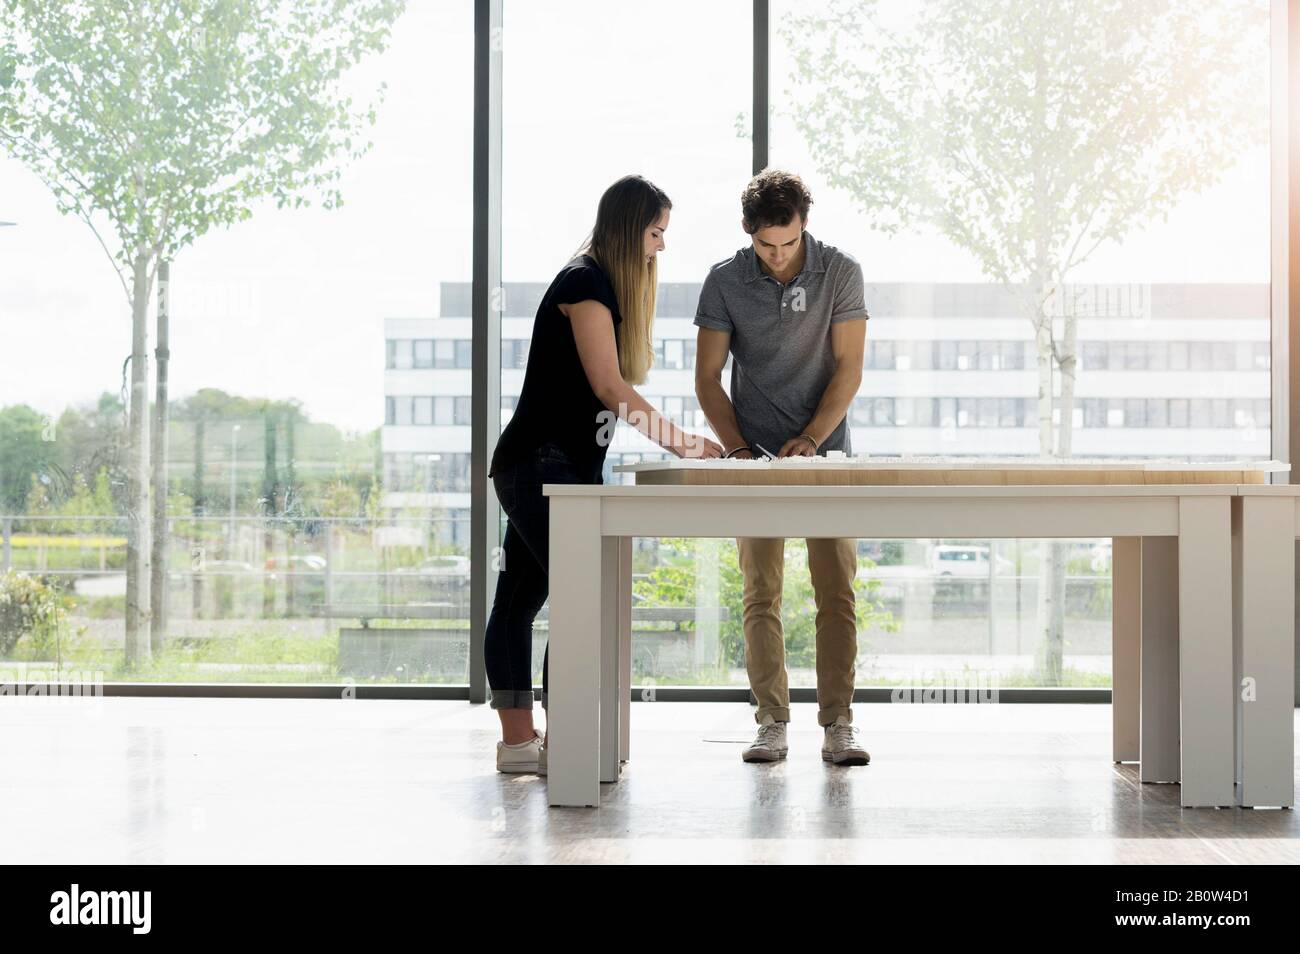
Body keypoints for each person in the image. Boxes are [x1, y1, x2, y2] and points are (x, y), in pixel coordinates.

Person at [486, 174, 723, 774]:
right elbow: (609, 386)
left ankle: (521, 747)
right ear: (627, 228)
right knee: (575, 593)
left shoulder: (597, 283)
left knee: (519, 599)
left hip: (552, 467)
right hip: (539, 465)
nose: (661, 247)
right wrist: (684, 444)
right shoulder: (585, 281)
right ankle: (555, 743)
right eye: (655, 232)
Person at [693, 168, 871, 765]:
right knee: (760, 592)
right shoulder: (723, 281)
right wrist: (740, 451)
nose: (777, 256)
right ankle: (771, 720)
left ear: (805, 227)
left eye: (788, 243)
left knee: (836, 591)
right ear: (749, 234)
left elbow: (849, 367)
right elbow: (707, 379)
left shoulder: (841, 272)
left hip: (828, 453)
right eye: (765, 245)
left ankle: (838, 723)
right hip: (754, 455)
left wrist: (814, 439)